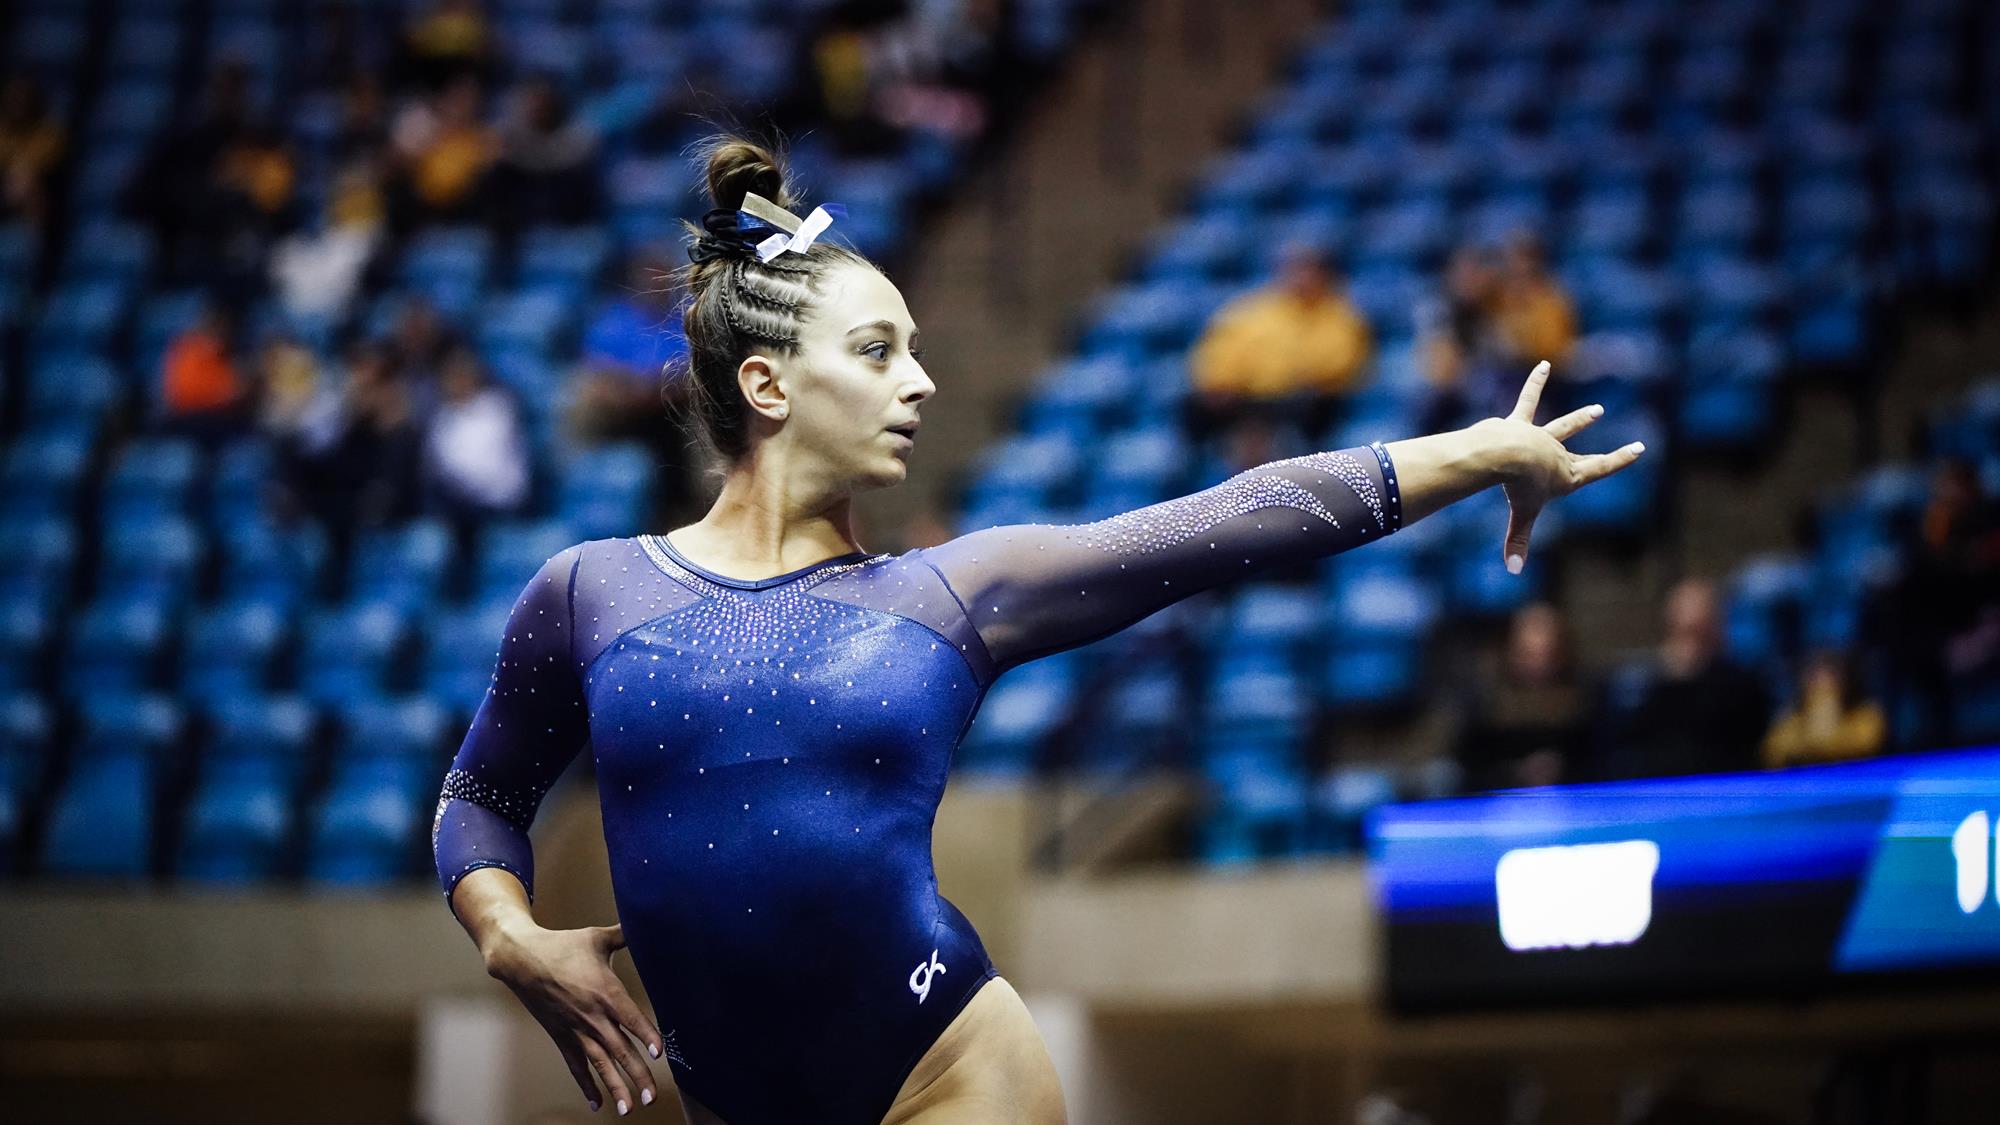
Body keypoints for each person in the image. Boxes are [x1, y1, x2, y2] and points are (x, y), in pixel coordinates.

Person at [431, 134, 1646, 1124]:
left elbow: (1233, 519)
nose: (921, 382)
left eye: (915, 350)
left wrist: (1481, 449)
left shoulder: (950, 595)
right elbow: (480, 794)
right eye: (877, 350)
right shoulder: (589, 593)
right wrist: (505, 932)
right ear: (767, 385)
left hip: (948, 1071)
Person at [1187, 240, 1374, 445]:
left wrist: (1290, 376)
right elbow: (1219, 348)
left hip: (1306, 397)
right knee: (1192, 407)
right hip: (1249, 396)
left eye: (1307, 271)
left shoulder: (1342, 315)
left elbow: (1338, 363)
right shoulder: (1252, 309)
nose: (1300, 279)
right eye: (1293, 270)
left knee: (1307, 408)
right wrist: (1221, 382)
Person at [1592, 578, 1774, 781]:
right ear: (1670, 619)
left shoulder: (1741, 686)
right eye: (1688, 627)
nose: (1695, 629)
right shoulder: (1631, 686)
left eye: (1706, 619)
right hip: (1649, 797)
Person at [1448, 601, 1591, 791]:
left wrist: (1560, 769)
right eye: (1528, 655)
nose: (1538, 666)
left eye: (1547, 655)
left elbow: (1601, 766)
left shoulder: (1585, 707)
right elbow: (1467, 771)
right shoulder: (1484, 708)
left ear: (1563, 654)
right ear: (1510, 652)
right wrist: (1513, 773)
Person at [1760, 648, 1886, 770]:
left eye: (1829, 675)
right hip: (1805, 787)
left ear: (1845, 679)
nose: (1821, 683)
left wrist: (1825, 722)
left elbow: (1865, 745)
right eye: (1814, 677)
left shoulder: (1865, 714)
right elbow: (1773, 754)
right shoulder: (1790, 718)